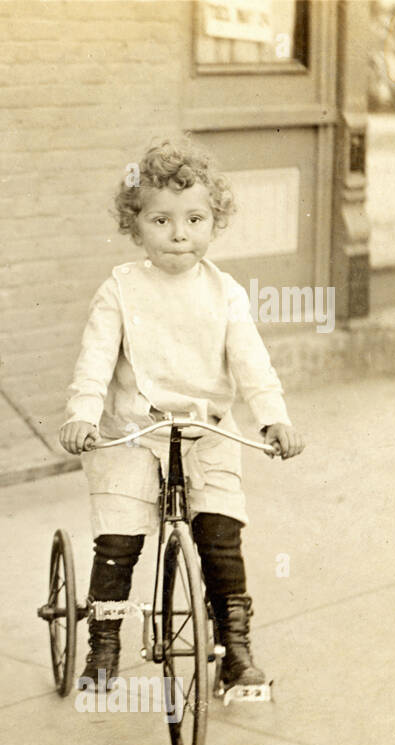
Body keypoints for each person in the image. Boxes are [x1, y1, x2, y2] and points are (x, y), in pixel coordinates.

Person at [58, 136, 305, 693]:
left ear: (215, 222)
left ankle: (236, 649)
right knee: (119, 539)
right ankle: (103, 645)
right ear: (135, 225)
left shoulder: (226, 293)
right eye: (160, 220)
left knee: (220, 534)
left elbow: (251, 363)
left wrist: (273, 419)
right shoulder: (120, 290)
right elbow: (95, 359)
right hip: (132, 431)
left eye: (194, 219)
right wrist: (83, 414)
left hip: (206, 430)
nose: (178, 234)